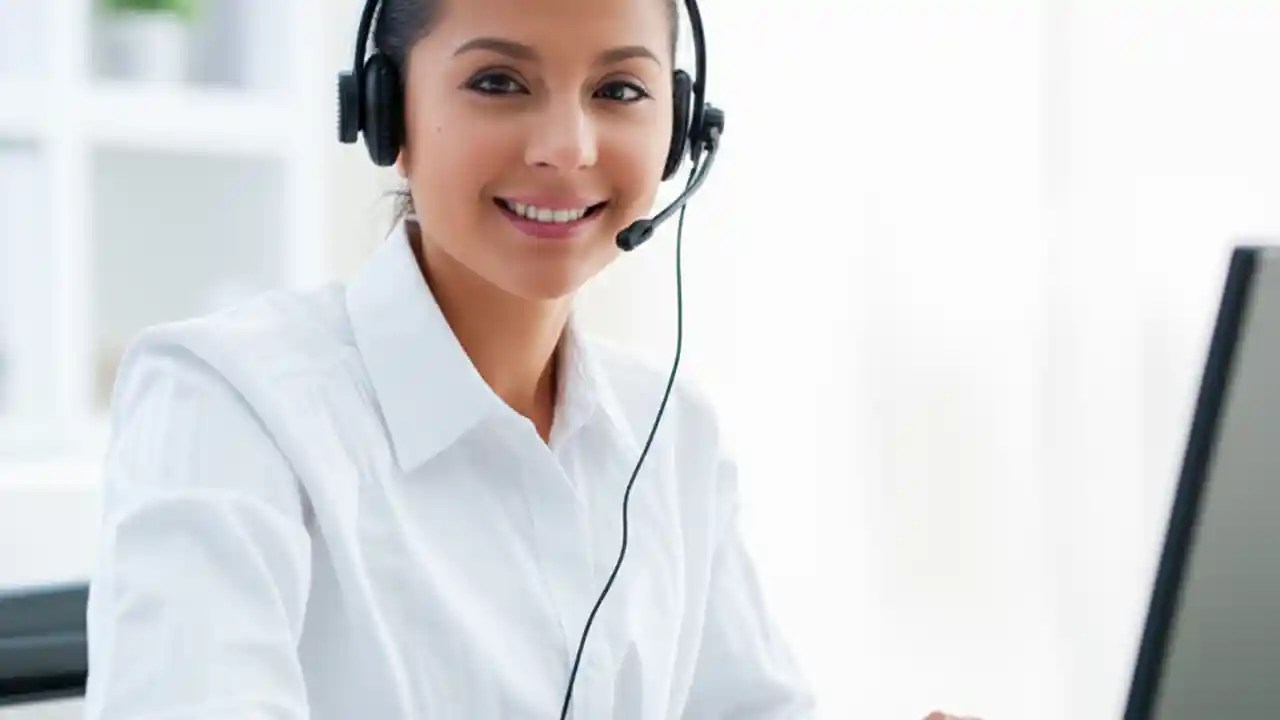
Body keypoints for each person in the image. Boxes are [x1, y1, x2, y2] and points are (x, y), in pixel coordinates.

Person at [82, 0, 977, 717]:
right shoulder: (227, 401)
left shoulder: (673, 434)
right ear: (387, 111)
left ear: (681, 130)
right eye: (500, 80)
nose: (567, 148)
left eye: (620, 92)